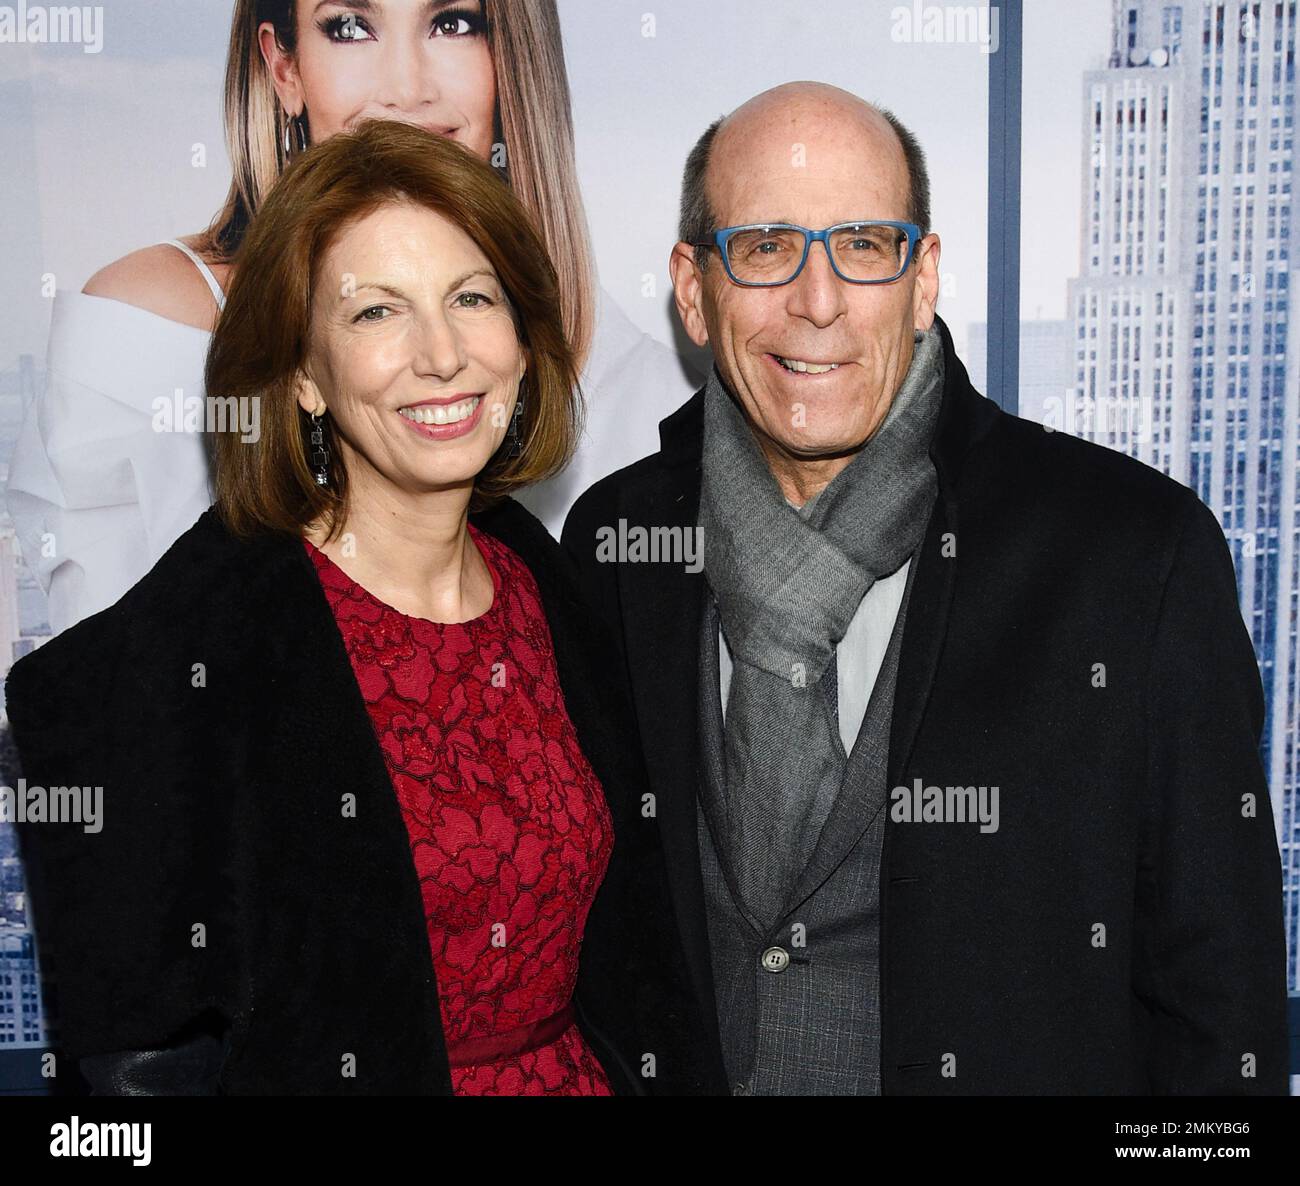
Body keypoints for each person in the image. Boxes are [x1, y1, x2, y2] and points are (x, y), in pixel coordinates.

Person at [562, 81, 1291, 1095]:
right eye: (766, 247)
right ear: (692, 289)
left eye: (864, 246)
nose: (817, 301)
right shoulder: (615, 543)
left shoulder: (1131, 551)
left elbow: (1219, 1000)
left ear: (923, 277)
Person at [6, 119, 690, 1096]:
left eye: (471, 297)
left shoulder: (576, 607)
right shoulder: (183, 667)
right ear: (304, 376)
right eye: (376, 313)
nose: (442, 353)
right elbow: (140, 1070)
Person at [6, 0, 698, 637]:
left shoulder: (638, 379)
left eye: (452, 22)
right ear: (284, 67)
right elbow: (115, 704)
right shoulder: (149, 326)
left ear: (511, 60)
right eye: (349, 26)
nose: (405, 87)